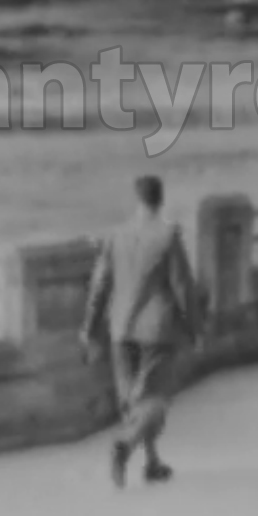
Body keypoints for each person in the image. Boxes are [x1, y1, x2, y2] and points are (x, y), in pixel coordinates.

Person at [79, 175, 200, 488]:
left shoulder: (116, 236)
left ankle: (152, 462)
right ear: (161, 200)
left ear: (138, 199)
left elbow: (99, 286)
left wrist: (89, 328)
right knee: (155, 402)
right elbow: (184, 289)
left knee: (134, 402)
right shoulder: (168, 236)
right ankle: (125, 446)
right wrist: (195, 329)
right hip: (156, 332)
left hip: (120, 329)